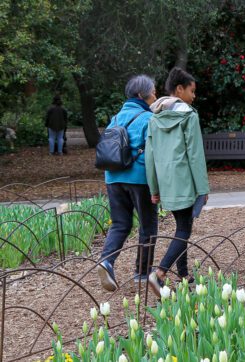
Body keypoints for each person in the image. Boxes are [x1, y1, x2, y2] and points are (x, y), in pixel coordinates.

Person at [145, 67, 210, 296]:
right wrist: (202, 189)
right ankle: (159, 274)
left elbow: (149, 156)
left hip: (166, 183)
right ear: (179, 89)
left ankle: (183, 275)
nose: (194, 96)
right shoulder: (189, 116)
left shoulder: (154, 117)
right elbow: (195, 154)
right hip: (185, 183)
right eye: (192, 91)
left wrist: (154, 188)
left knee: (182, 226)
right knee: (183, 230)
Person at [97, 75, 158, 291]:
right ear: (142, 95)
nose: (156, 95)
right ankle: (142, 273)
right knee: (148, 225)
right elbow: (152, 154)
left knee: (120, 224)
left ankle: (106, 261)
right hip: (139, 178)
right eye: (153, 91)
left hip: (113, 177)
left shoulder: (115, 118)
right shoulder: (148, 118)